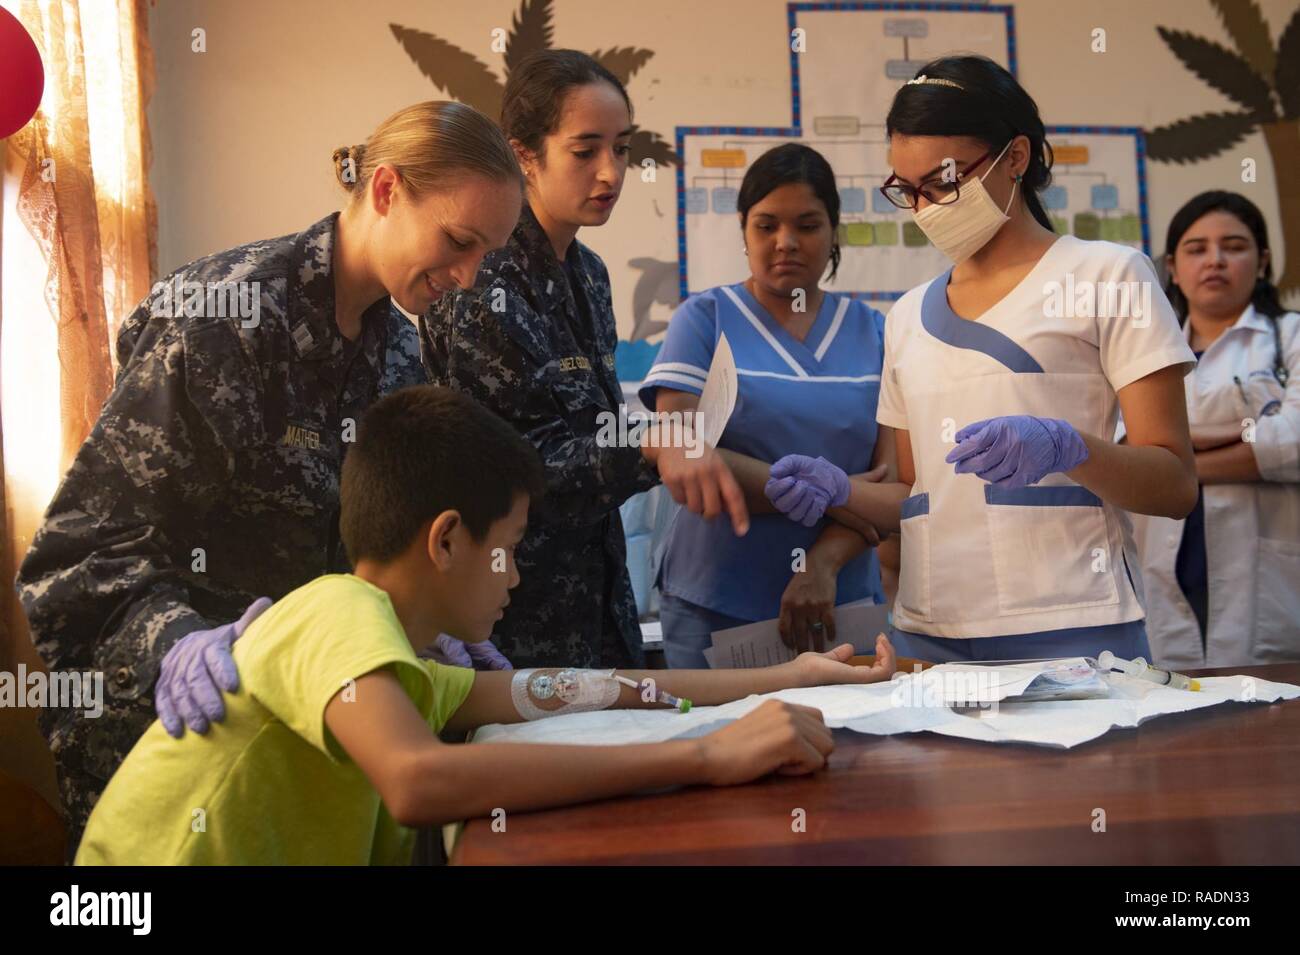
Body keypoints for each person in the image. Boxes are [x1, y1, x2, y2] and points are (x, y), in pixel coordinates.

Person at [74, 386, 896, 865]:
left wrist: (787, 677)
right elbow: (418, 780)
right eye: (506, 549)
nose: (517, 573)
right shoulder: (337, 607)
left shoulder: (403, 664)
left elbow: (581, 689)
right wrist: (707, 754)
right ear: (445, 539)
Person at [16, 101, 523, 855]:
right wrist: (179, 641)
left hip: (298, 733)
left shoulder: (396, 353)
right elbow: (77, 553)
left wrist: (429, 627)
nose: (469, 275)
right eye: (457, 241)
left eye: (487, 254)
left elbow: (361, 557)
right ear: (385, 191)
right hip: (175, 731)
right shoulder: (225, 318)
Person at [764, 56, 1198, 663]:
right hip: (931, 634)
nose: (925, 207)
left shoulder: (1108, 275)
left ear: (1015, 158)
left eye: (943, 182)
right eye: (907, 190)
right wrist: (843, 492)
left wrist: (1070, 447)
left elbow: (1175, 484)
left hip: (1073, 627)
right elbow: (918, 492)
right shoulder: (908, 317)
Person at [423, 50, 746, 671]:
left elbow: (590, 432)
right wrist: (651, 444)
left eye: (622, 149)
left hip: (597, 602)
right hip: (511, 617)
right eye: (585, 150)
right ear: (524, 156)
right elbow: (514, 471)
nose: (611, 172)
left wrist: (664, 437)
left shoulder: (588, 274)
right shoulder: (481, 277)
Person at [640, 143, 891, 666]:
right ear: (744, 231)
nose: (786, 243)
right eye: (766, 225)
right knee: (716, 744)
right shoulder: (704, 319)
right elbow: (687, 457)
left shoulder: (877, 333)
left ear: (834, 230)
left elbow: (890, 487)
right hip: (715, 599)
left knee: (851, 745)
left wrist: (821, 564)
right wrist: (840, 494)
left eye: (807, 224)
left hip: (838, 597)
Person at [1130, 190, 1300, 667]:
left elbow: (1293, 442)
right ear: (1174, 268)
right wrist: (1252, 442)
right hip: (1164, 574)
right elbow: (1122, 446)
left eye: (1235, 246)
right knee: (1174, 725)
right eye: (1197, 248)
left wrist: (1172, 466)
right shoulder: (1143, 352)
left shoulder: (1291, 338)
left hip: (1265, 580)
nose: (1216, 261)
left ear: (1263, 261)